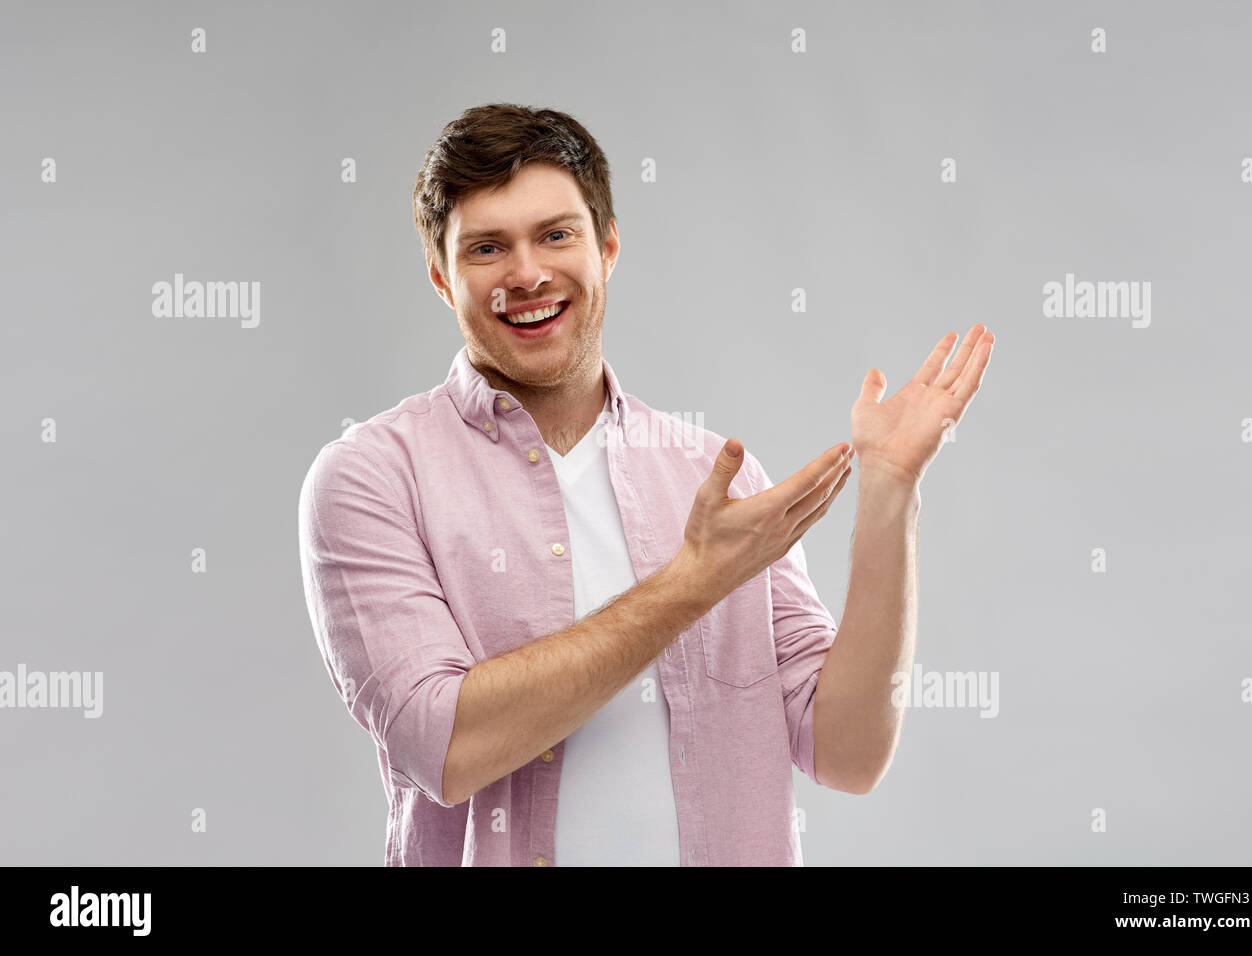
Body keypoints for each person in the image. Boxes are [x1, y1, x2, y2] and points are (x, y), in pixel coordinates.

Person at [297, 103, 995, 866]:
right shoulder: (370, 478)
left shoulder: (714, 477)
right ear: (441, 277)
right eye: (487, 247)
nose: (527, 273)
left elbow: (850, 753)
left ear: (608, 247)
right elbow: (446, 748)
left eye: (556, 234)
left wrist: (891, 494)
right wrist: (691, 584)